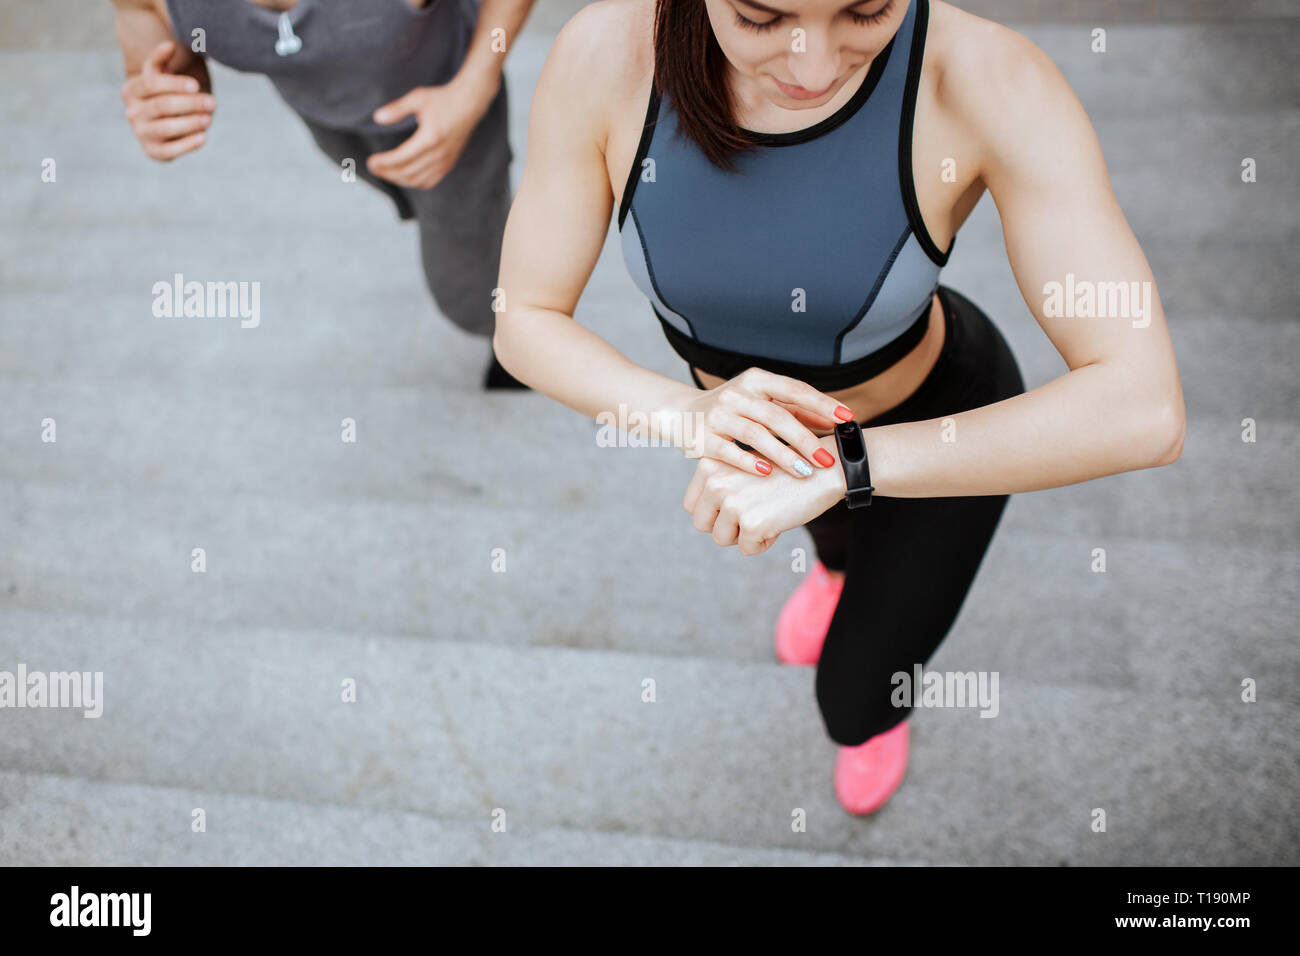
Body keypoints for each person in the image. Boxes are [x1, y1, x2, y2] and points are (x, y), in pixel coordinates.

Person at [493, 0, 1185, 814]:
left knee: (854, 698)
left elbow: (1144, 405)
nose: (814, 67)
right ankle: (832, 565)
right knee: (830, 539)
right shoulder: (603, 55)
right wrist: (693, 418)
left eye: (866, 11)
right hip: (767, 444)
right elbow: (525, 318)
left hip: (934, 425)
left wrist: (851, 466)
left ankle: (871, 701)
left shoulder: (991, 78)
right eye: (761, 17)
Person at [109, 0, 538, 389]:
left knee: (468, 291)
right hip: (334, 124)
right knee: (435, 221)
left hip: (449, 107)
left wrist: (474, 89)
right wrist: (163, 105)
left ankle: (520, 337)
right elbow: (167, 56)